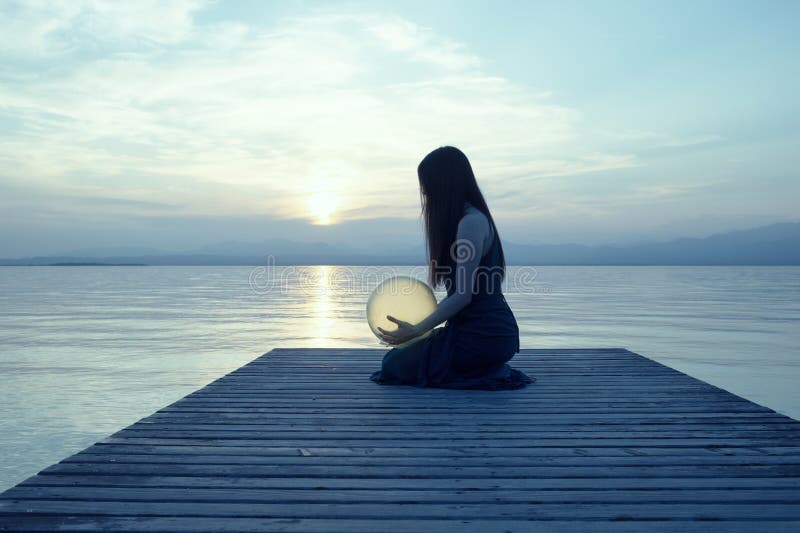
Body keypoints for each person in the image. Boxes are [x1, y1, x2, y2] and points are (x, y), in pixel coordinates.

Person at [370, 146, 534, 390]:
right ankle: (486, 367)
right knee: (394, 360)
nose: (426, 195)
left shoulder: (471, 223)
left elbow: (462, 296)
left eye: (429, 188)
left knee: (394, 366)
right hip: (469, 330)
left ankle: (490, 368)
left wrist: (417, 330)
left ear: (445, 185)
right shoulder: (466, 221)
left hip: (486, 333)